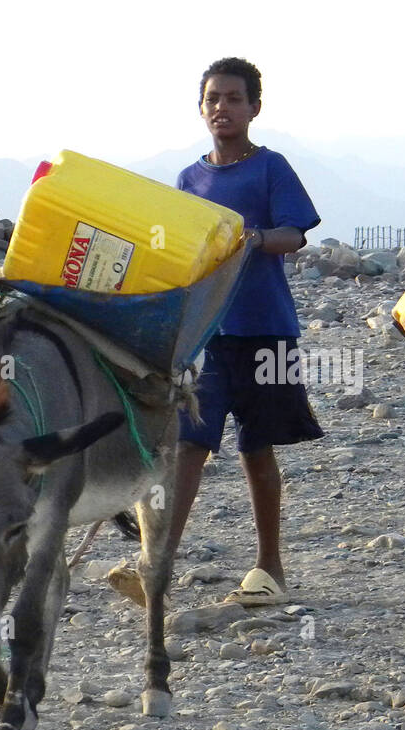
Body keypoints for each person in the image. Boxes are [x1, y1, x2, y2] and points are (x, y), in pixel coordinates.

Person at [109, 57, 323, 608]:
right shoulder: (189, 179)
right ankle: (157, 566)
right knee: (187, 447)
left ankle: (269, 568)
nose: (222, 108)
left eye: (233, 98)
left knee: (257, 448)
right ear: (201, 109)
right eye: (213, 99)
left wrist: (250, 239)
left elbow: (295, 235)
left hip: (266, 331)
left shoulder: (271, 168)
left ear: (254, 107)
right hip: (205, 336)